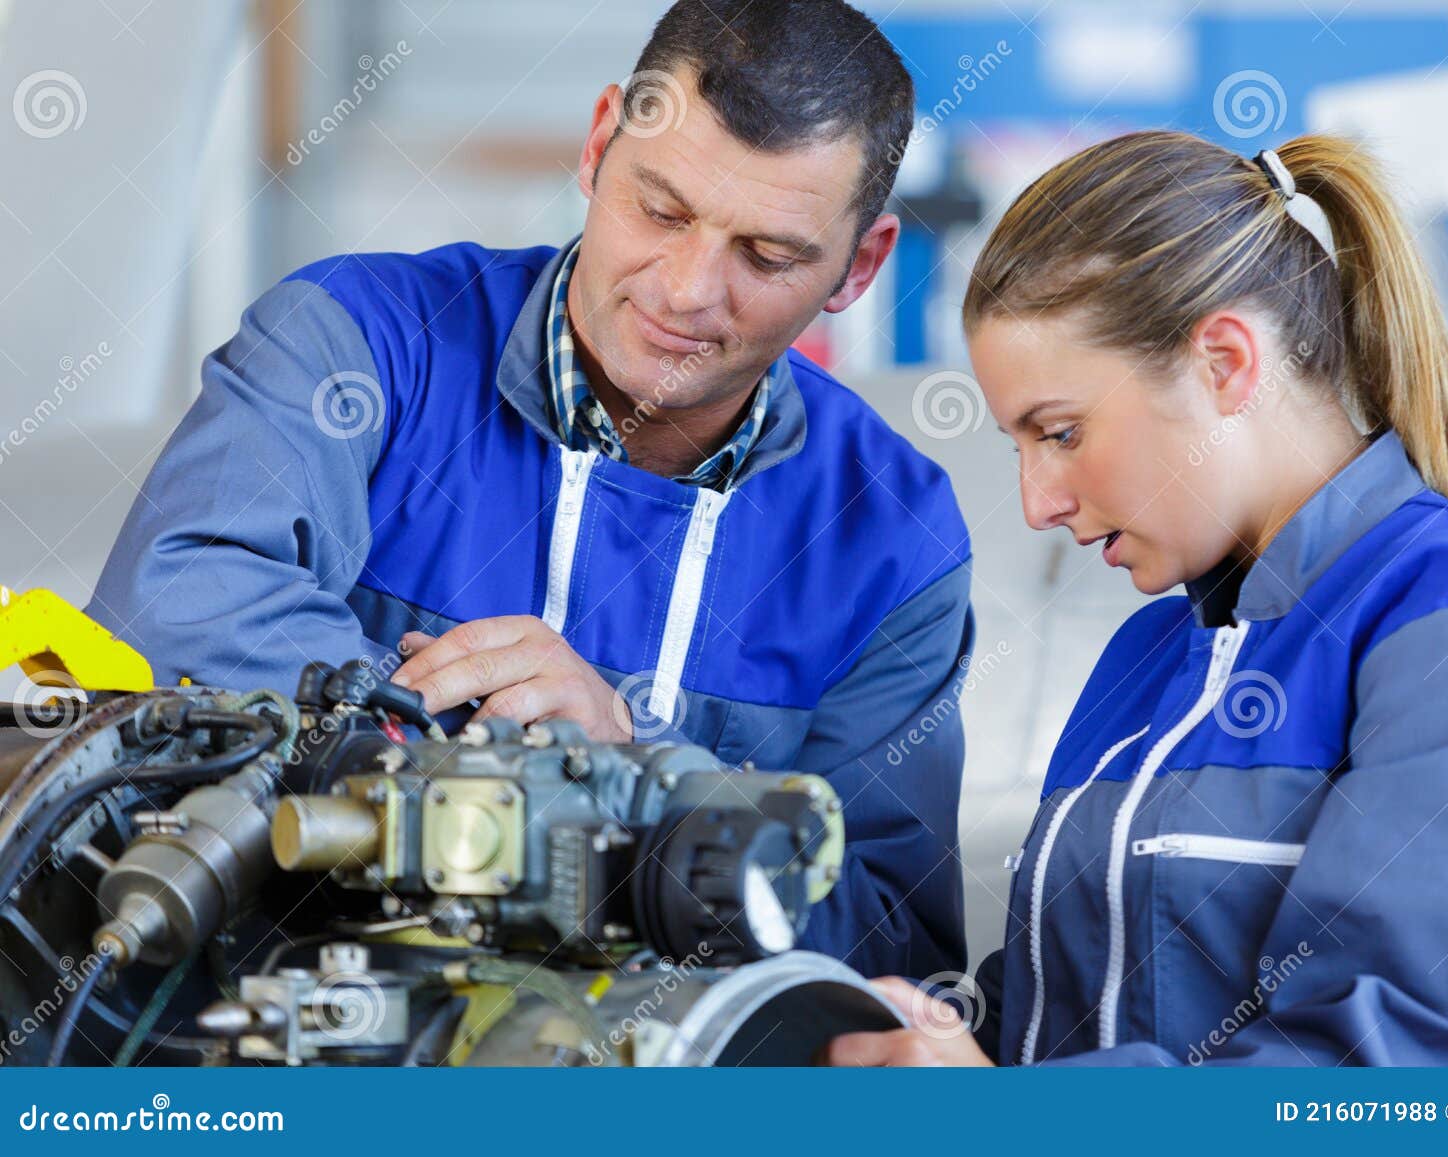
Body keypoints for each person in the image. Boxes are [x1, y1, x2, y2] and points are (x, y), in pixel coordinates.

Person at [87, 0, 972, 980]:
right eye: (661, 210)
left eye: (765, 255)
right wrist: (530, 770)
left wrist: (636, 747)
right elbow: (166, 607)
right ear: (598, 146)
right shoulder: (356, 344)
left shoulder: (892, 537)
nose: (684, 290)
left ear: (860, 263)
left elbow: (892, 951)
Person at [828, 130, 1448, 1065]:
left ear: (1225, 362)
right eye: (1018, 445)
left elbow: (1387, 1085)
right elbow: (1081, 1007)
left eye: (1062, 432)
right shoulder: (1147, 657)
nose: (1038, 502)